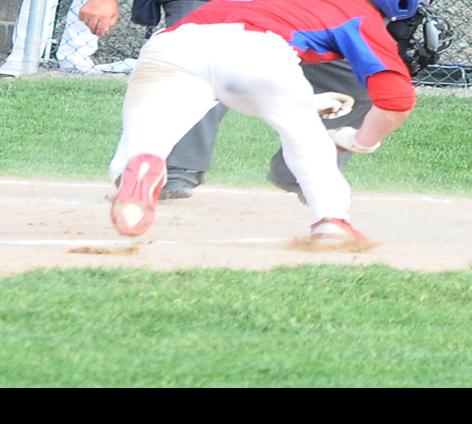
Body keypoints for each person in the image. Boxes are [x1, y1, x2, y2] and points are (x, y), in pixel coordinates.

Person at [108, 0, 424, 246]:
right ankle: (331, 221)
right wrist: (359, 141)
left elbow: (223, 61)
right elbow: (395, 103)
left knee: (145, 140)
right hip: (258, 52)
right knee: (305, 137)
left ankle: (140, 168)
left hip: (173, 46)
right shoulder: (359, 13)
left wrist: (306, 101)